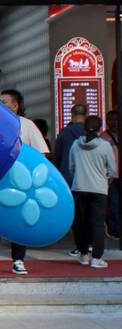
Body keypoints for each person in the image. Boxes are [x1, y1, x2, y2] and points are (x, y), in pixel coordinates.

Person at [0, 89, 49, 276]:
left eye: (4, 101)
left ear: (15, 106)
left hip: (22, 183)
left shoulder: (27, 125)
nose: (0, 103)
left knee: (19, 221)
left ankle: (18, 260)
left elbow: (42, 152)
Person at [70, 115, 117, 269]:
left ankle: (83, 254)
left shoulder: (75, 145)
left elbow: (71, 168)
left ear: (84, 128)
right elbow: (112, 170)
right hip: (99, 190)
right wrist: (105, 180)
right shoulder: (105, 146)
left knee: (81, 223)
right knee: (97, 224)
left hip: (79, 188)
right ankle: (96, 258)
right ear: (100, 129)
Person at [54, 103, 86, 184]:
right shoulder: (89, 133)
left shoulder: (65, 132)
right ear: (86, 115)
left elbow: (57, 155)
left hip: (67, 175)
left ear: (72, 114)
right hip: (86, 177)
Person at [101, 109, 119, 240]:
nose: (114, 123)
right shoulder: (103, 137)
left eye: (116, 120)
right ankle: (114, 229)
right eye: (111, 120)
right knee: (113, 203)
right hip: (111, 177)